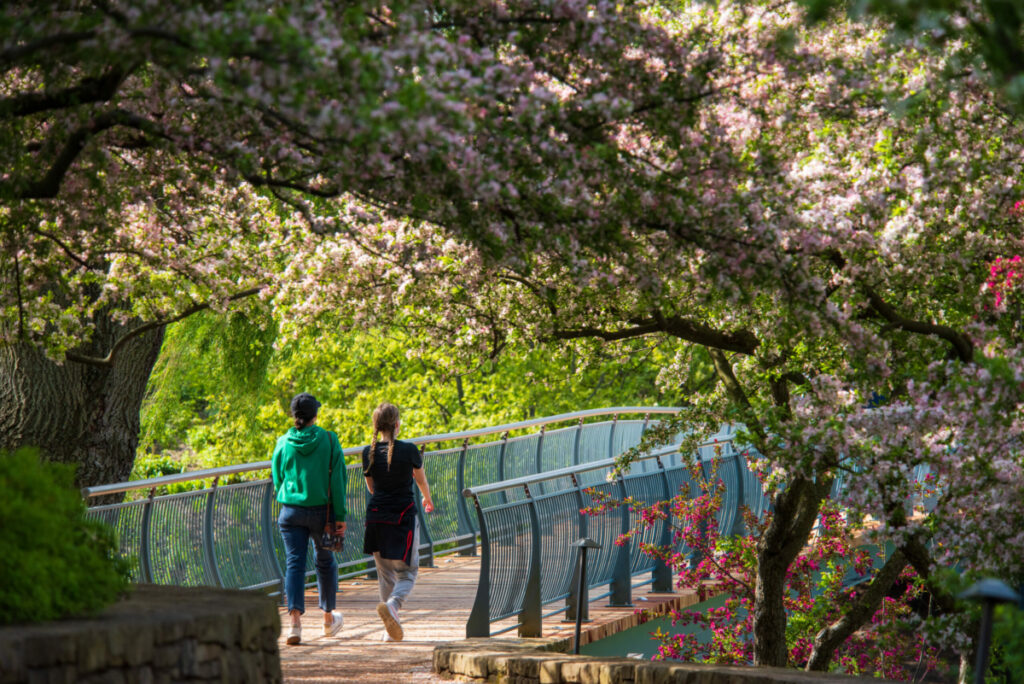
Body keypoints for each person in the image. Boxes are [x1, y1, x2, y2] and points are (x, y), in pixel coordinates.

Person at [272, 392, 347, 646]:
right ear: (315, 414)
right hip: (323, 513)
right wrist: (340, 515)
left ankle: (294, 624)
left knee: (294, 563)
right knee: (325, 561)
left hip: (290, 511)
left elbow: (278, 478)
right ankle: (327, 619)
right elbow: (337, 481)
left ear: (295, 416)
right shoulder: (329, 439)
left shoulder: (283, 442)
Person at [362, 402, 434, 642]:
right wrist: (427, 499)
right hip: (403, 516)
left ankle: (389, 628)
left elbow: (372, 488)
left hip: (376, 516)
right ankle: (393, 606)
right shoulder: (410, 450)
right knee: (407, 573)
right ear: (397, 424)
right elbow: (421, 481)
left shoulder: (368, 452)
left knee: (385, 574)